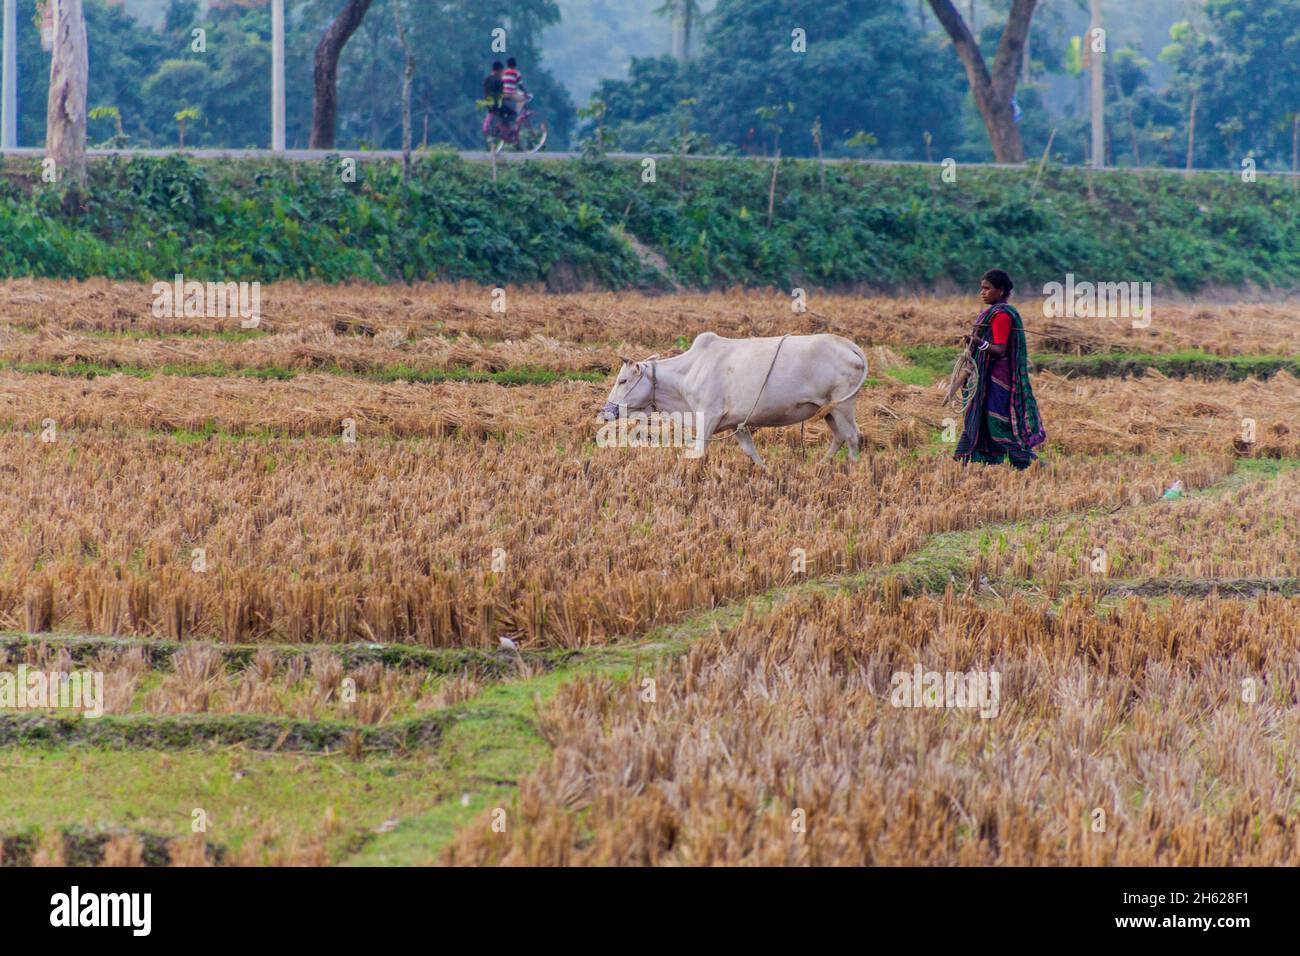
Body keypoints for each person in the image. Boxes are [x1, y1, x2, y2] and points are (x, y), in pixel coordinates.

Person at [953, 269, 1046, 470]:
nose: (982, 292)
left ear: (1000, 290)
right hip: (988, 375)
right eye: (981, 288)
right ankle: (969, 457)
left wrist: (979, 342)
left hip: (997, 376)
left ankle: (1026, 461)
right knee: (981, 416)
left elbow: (999, 350)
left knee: (996, 420)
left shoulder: (1002, 315)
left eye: (987, 288)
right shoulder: (992, 313)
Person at [502, 57, 528, 123]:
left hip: (503, 94)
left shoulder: (503, 72)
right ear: (515, 65)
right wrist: (525, 93)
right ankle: (516, 113)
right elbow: (520, 85)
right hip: (511, 94)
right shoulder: (516, 73)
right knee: (523, 99)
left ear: (507, 65)